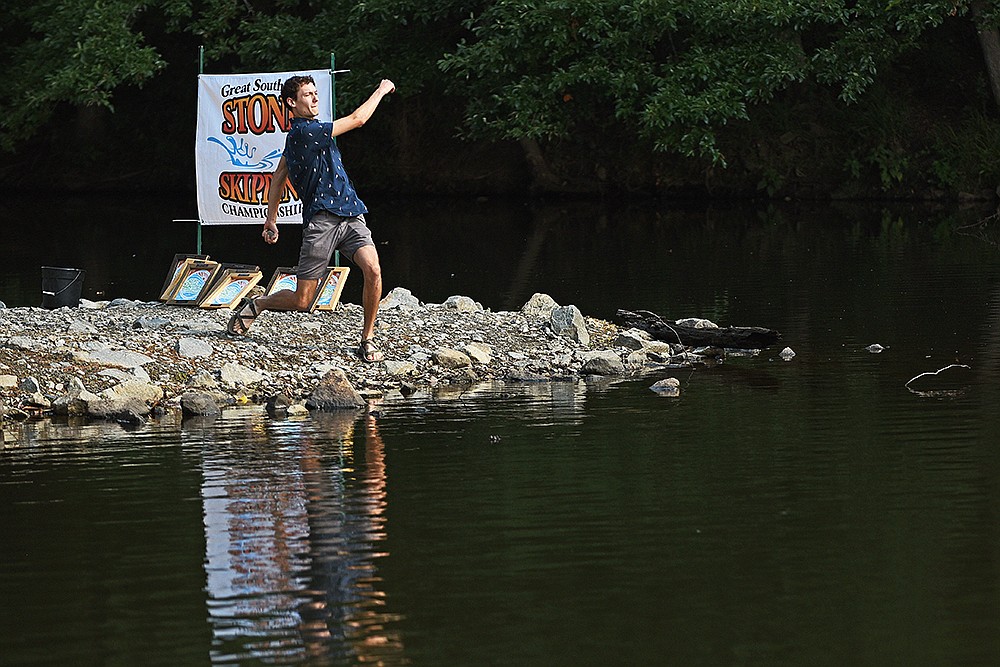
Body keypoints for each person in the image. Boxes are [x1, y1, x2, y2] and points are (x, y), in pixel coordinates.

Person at [226, 74, 395, 363]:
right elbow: (358, 119)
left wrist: (271, 219)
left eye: (315, 93)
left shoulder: (309, 131)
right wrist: (381, 90)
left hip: (351, 214)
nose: (315, 98)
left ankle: (367, 339)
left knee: (374, 270)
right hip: (322, 222)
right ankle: (260, 303)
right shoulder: (302, 132)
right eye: (308, 94)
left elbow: (278, 177)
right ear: (292, 102)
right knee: (303, 301)